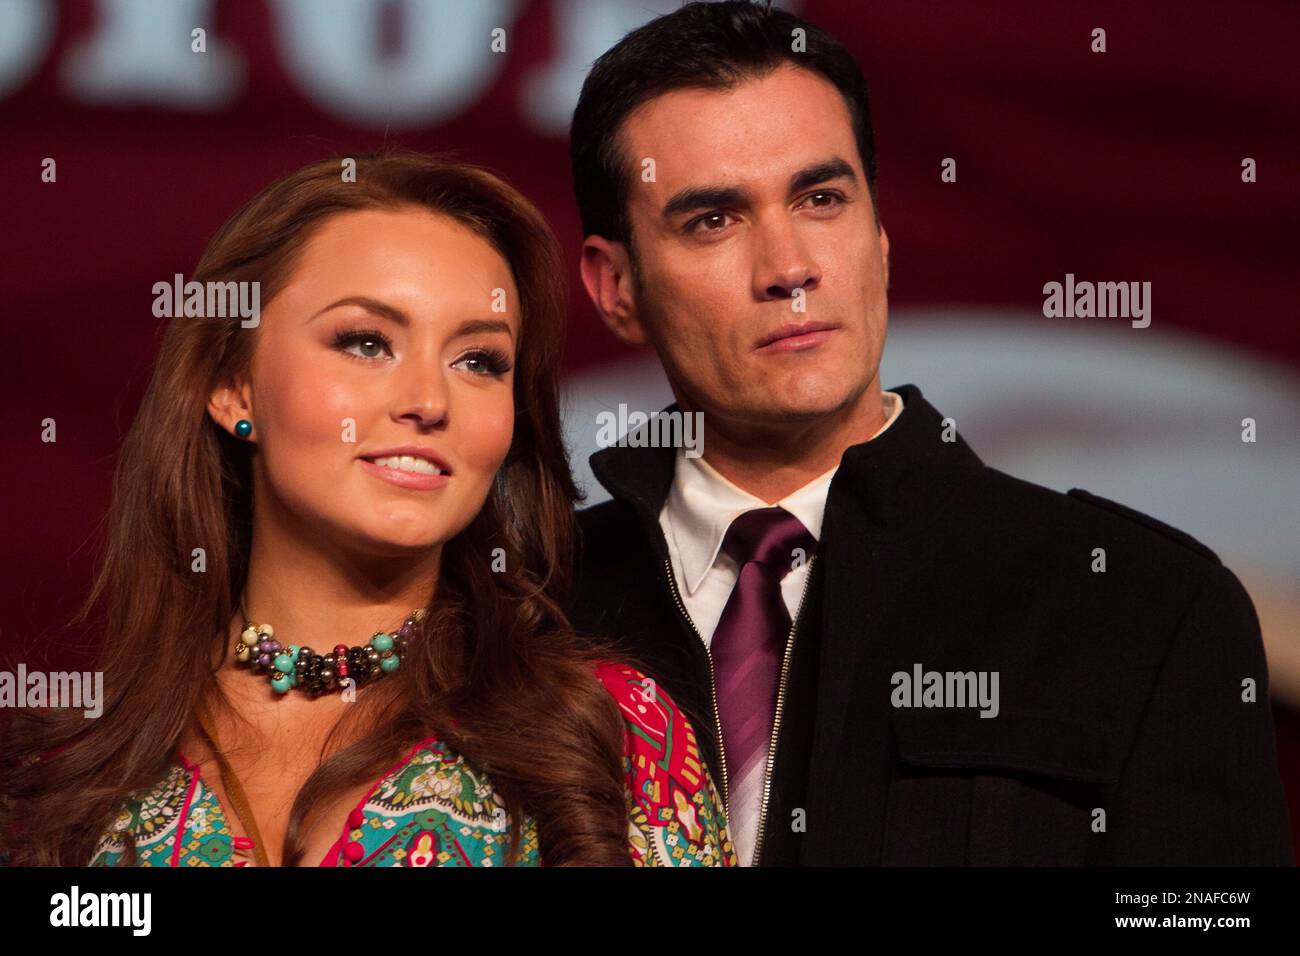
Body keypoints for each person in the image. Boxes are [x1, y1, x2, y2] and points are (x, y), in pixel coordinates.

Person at [564, 1, 1293, 865]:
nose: (789, 268)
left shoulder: (1149, 609)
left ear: (878, 236)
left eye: (821, 197)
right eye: (713, 220)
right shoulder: (517, 617)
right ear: (615, 288)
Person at [0, 151, 734, 868]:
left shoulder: (608, 741)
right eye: (366, 342)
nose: (427, 401)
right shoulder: (59, 786)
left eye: (479, 361)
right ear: (232, 387)